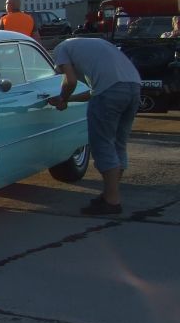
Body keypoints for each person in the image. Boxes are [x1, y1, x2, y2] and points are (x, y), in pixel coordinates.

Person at [48, 37, 141, 216]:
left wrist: (63, 98)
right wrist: (69, 99)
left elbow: (71, 81)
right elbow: (94, 93)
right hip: (134, 87)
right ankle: (110, 194)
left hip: (111, 92)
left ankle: (112, 202)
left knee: (103, 144)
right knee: (118, 143)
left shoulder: (60, 50)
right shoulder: (92, 45)